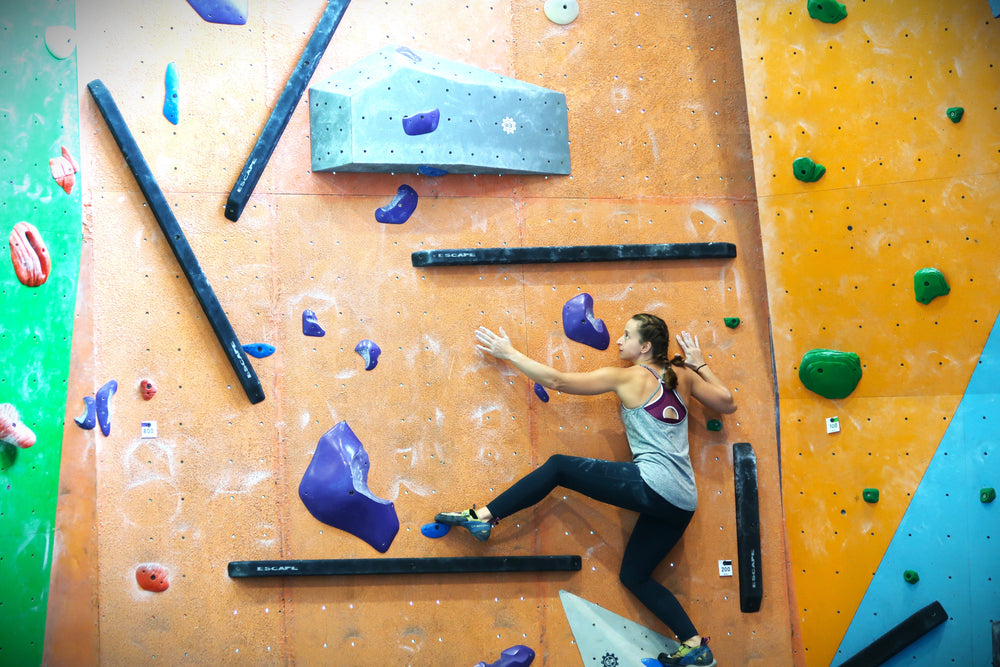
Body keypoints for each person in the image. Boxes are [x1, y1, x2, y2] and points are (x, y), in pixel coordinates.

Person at [435, 314, 736, 667]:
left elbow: (557, 380)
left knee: (560, 467)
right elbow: (728, 401)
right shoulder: (683, 376)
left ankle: (483, 517)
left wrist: (509, 353)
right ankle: (695, 647)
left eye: (627, 335)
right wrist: (700, 364)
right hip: (682, 501)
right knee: (635, 576)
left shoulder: (625, 377)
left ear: (646, 346)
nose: (619, 341)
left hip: (653, 486)